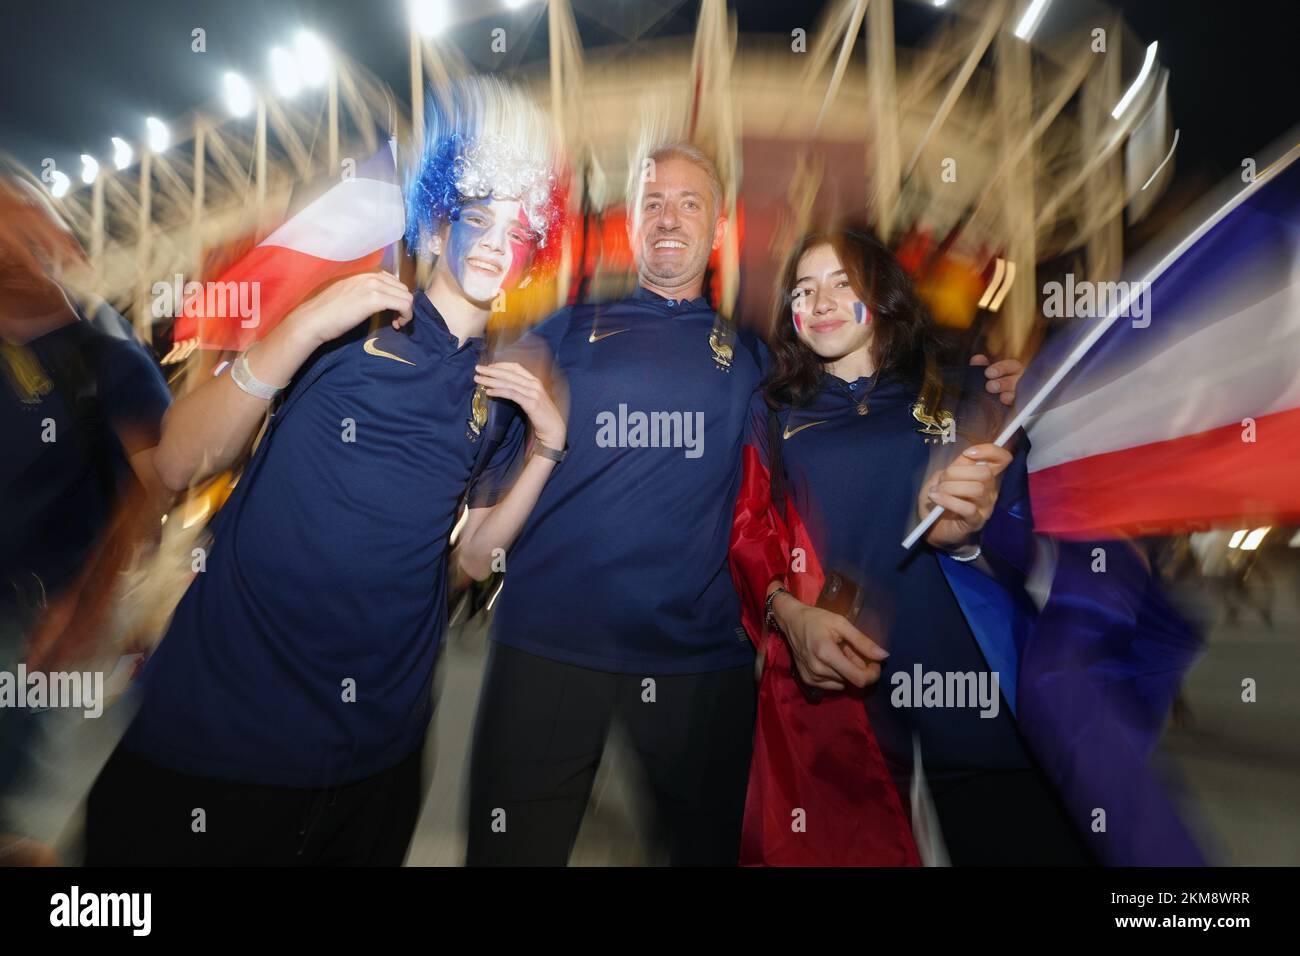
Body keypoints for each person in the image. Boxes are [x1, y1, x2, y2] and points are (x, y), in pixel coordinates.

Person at [464, 143, 1024, 865]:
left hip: (697, 664)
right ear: (630, 223)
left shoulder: (758, 361)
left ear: (718, 225)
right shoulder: (561, 332)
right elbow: (480, 483)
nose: (669, 217)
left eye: (689, 202)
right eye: (652, 203)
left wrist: (986, 381)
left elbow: (811, 459)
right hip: (547, 650)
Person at [84, 78, 568, 866]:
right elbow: (178, 459)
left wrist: (547, 446)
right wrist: (301, 325)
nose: (491, 243)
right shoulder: (346, 319)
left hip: (376, 764)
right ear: (439, 221)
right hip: (218, 745)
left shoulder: (503, 390)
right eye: (477, 217)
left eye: (516, 230)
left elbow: (475, 559)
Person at [730, 224, 1091, 865]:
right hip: (850, 717)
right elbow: (751, 534)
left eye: (844, 284)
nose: (821, 302)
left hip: (977, 706)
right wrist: (788, 617)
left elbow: (1031, 542)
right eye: (804, 290)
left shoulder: (964, 390)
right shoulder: (775, 412)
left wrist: (969, 536)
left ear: (884, 295)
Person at [0, 167, 171, 865]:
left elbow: (155, 485)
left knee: (34, 834)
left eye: (18, 223)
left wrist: (86, 605)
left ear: (54, 239)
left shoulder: (103, 350)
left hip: (51, 636)